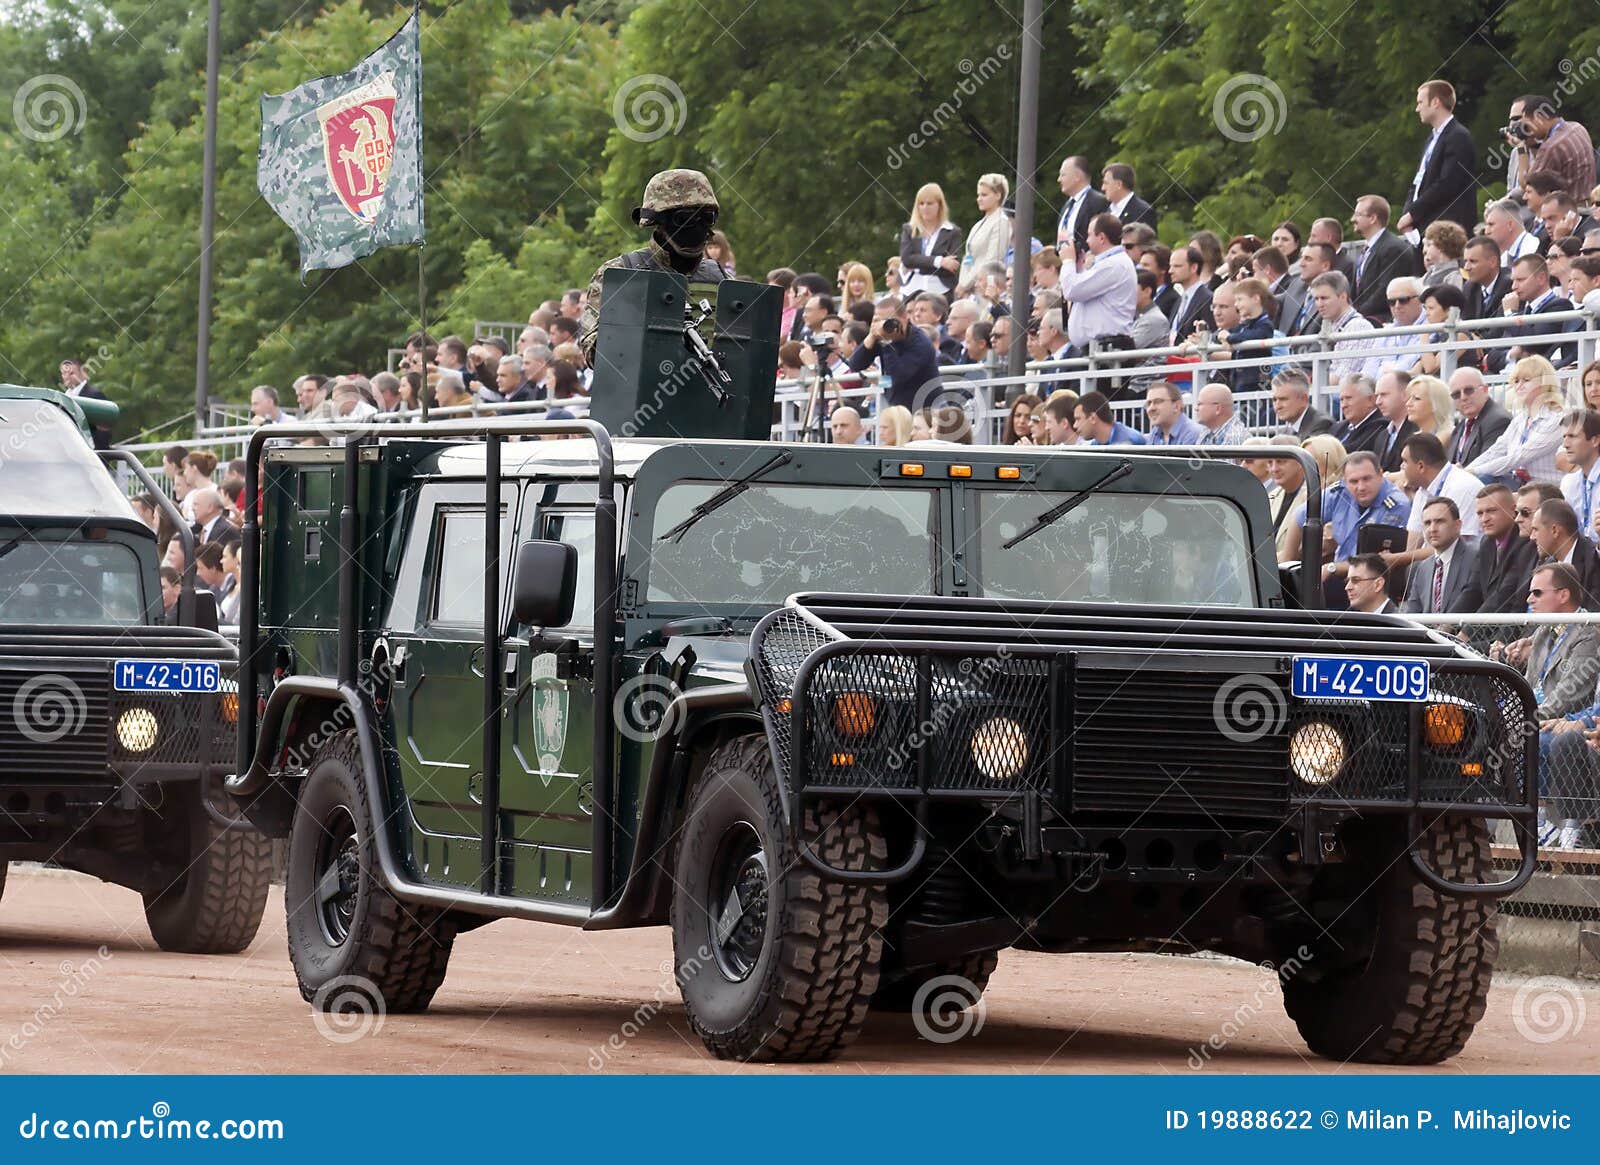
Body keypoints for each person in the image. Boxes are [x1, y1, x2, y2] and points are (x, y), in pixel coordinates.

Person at [579, 169, 725, 362]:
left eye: (706, 217)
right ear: (659, 220)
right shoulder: (622, 273)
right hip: (643, 390)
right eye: (684, 219)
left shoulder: (720, 278)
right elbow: (594, 353)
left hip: (708, 390)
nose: (697, 226)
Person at [1467, 355, 1567, 485]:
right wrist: (1466, 472)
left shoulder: (1557, 419)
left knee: (1482, 481)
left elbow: (1519, 457)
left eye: (1526, 380)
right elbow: (1497, 450)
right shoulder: (1520, 419)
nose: (1519, 386)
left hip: (1546, 490)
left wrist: (1474, 471)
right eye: (1516, 381)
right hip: (1519, 485)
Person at [1398, 80, 1478, 237]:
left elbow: (1447, 183)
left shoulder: (1458, 136)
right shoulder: (1432, 139)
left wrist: (1412, 214)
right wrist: (1408, 212)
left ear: (1435, 102)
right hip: (1424, 225)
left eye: (1420, 102)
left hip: (1448, 229)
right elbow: (1419, 181)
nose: (1417, 108)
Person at [1059, 213, 1137, 353]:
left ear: (1101, 238)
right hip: (1099, 349)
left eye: (1089, 235)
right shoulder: (1109, 263)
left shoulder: (1114, 264)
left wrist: (1067, 261)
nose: (1086, 240)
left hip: (1107, 351)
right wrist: (1078, 268)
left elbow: (1071, 290)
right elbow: (1084, 293)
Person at [845, 296, 940, 410]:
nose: (884, 325)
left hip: (925, 408)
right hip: (896, 406)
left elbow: (897, 377)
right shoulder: (881, 336)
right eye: (879, 320)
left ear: (904, 318)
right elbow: (855, 365)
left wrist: (887, 343)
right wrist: (871, 337)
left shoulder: (920, 342)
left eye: (889, 320)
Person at [1402, 497, 1483, 613]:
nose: (1432, 529)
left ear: (1457, 525)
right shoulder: (1422, 568)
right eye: (1427, 523)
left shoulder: (1476, 557)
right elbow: (1413, 612)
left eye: (1439, 521)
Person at [1350, 195, 1420, 321]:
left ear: (1372, 218)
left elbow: (1384, 292)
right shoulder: (1366, 250)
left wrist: (1355, 316)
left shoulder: (1393, 248)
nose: (1352, 219)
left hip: (1382, 321)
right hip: (1362, 320)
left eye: (1358, 214)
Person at [1474, 483, 1540, 612]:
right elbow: (1472, 590)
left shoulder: (1525, 541)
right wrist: (1446, 626)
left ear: (1512, 510)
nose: (1484, 519)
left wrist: (1468, 631)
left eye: (1491, 511)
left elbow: (1504, 595)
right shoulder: (1486, 542)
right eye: (1480, 513)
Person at [1518, 94, 1597, 201]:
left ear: (1539, 118)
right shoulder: (1578, 127)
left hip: (1569, 210)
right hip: (1590, 204)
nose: (1528, 131)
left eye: (1527, 125)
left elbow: (1527, 186)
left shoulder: (1552, 147)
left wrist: (1521, 148)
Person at [1532, 497, 1600, 606]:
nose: (1532, 537)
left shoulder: (1593, 559)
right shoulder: (1547, 567)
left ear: (1554, 530)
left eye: (1536, 529)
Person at [899, 183, 963, 298]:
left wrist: (918, 264)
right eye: (921, 204)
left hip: (942, 291)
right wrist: (939, 261)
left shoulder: (953, 232)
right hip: (912, 291)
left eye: (930, 203)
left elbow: (952, 267)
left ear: (940, 205)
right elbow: (906, 259)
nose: (925, 208)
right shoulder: (909, 229)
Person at [1445, 367, 1510, 466]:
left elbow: (1488, 467)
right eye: (1456, 394)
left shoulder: (1499, 421)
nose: (1463, 397)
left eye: (1469, 390)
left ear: (1485, 390)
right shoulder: (1460, 427)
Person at [1054, 156, 1111, 268]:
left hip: (1088, 268)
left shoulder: (1099, 202)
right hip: (1066, 268)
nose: (1059, 179)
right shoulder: (1067, 206)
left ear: (1077, 177)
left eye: (1063, 175)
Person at [957, 174, 1009, 293]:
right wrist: (962, 282)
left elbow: (992, 260)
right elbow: (968, 256)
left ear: (998, 195)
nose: (979, 199)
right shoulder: (978, 225)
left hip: (985, 287)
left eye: (984, 195)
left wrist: (967, 284)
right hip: (968, 286)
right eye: (978, 195)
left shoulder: (1001, 222)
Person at [1560, 409, 1600, 536]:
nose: (1565, 444)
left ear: (1595, 440)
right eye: (1564, 437)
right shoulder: (1568, 483)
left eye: (1572, 436)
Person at [57, 357, 111, 449]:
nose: (67, 377)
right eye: (64, 373)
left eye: (71, 373)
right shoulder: (61, 398)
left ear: (82, 372)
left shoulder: (95, 395)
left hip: (90, 454)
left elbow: (104, 431)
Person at [1332, 372, 1386, 457]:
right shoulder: (1337, 427)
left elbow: (1355, 451)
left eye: (1349, 398)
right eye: (1341, 400)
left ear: (1370, 400)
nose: (1343, 405)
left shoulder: (1381, 426)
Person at [1269, 367, 1334, 437]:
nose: (1277, 406)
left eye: (1283, 399)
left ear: (1304, 399)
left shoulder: (1322, 424)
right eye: (1274, 400)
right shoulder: (1287, 431)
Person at [1073, 391, 1146, 446]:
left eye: (1078, 419)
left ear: (1092, 418)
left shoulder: (1129, 441)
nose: (1075, 425)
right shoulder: (1095, 444)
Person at [1144, 380, 1204, 444]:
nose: (1151, 408)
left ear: (1176, 406)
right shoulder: (1155, 432)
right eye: (1149, 403)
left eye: (1158, 401)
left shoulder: (1193, 434)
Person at [1102, 162, 1155, 226]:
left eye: (1106, 183)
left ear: (1119, 184)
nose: (1103, 188)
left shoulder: (1143, 211)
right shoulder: (1107, 210)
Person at [1420, 220, 1467, 288]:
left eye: (1429, 245)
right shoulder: (1429, 274)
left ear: (1441, 247)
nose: (1425, 250)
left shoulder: (1454, 276)